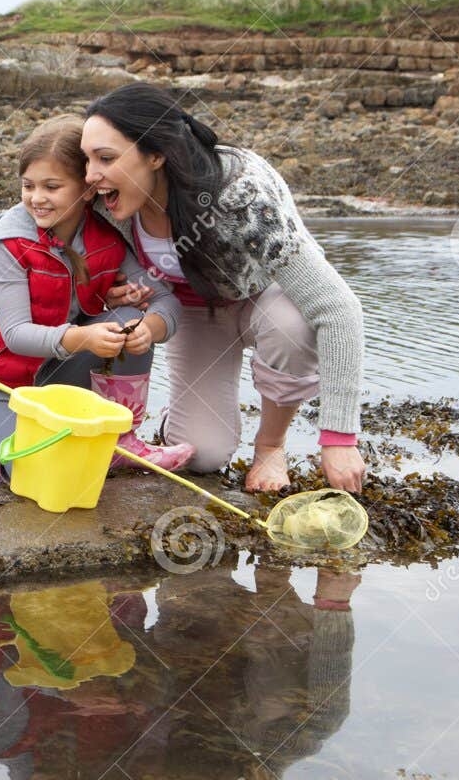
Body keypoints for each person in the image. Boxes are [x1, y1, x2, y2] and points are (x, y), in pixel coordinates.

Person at [83, 83, 366, 493]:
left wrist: (339, 439)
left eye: (105, 158)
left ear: (156, 155)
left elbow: (339, 309)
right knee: (202, 457)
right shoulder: (105, 200)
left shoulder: (240, 194)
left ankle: (271, 445)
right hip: (194, 313)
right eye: (87, 158)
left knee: (293, 324)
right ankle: (181, 419)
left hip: (265, 299)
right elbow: (41, 217)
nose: (90, 175)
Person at [0, 115, 191, 484]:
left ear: (87, 189)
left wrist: (152, 328)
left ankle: (120, 440)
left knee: (129, 315)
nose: (37, 198)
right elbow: (15, 334)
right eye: (28, 185)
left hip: (55, 372)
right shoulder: (9, 244)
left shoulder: (106, 238)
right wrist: (82, 339)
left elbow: (166, 300)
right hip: (0, 384)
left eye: (52, 186)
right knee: (45, 476)